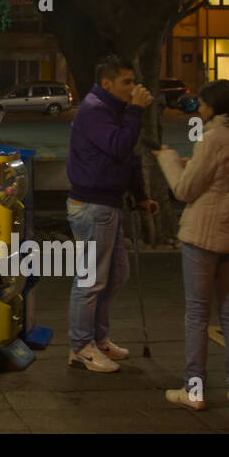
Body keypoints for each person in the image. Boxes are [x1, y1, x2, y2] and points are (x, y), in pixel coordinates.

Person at [154, 81, 229, 412]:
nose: (198, 110)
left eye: (202, 105)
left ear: (215, 107)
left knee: (198, 313)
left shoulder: (213, 137)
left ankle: (195, 389)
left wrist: (169, 159)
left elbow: (185, 190)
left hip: (204, 233)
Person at [65, 55, 159, 373]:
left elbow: (128, 156)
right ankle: (80, 347)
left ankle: (97, 339)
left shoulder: (113, 110)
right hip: (93, 206)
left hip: (108, 204)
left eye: (133, 82)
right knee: (91, 279)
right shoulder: (95, 110)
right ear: (108, 83)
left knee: (116, 274)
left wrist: (142, 195)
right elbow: (119, 147)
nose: (133, 88)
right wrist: (136, 111)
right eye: (126, 83)